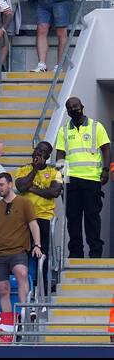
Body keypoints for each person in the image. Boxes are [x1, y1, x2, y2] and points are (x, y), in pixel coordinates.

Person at [54, 97, 111, 259]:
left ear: (82, 107)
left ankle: (95, 254)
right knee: (73, 219)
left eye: (76, 107)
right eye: (70, 108)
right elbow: (60, 155)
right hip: (71, 181)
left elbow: (106, 149)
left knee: (92, 218)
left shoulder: (96, 126)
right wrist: (60, 179)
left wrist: (105, 170)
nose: (74, 110)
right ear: (67, 112)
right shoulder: (64, 131)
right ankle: (75, 254)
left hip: (92, 180)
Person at [0, 172, 42, 314]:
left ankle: (25, 313)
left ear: (10, 184)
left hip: (17, 250)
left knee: (22, 273)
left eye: (1, 185)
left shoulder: (25, 203)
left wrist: (37, 245)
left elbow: (33, 225)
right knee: (3, 289)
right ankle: (8, 320)